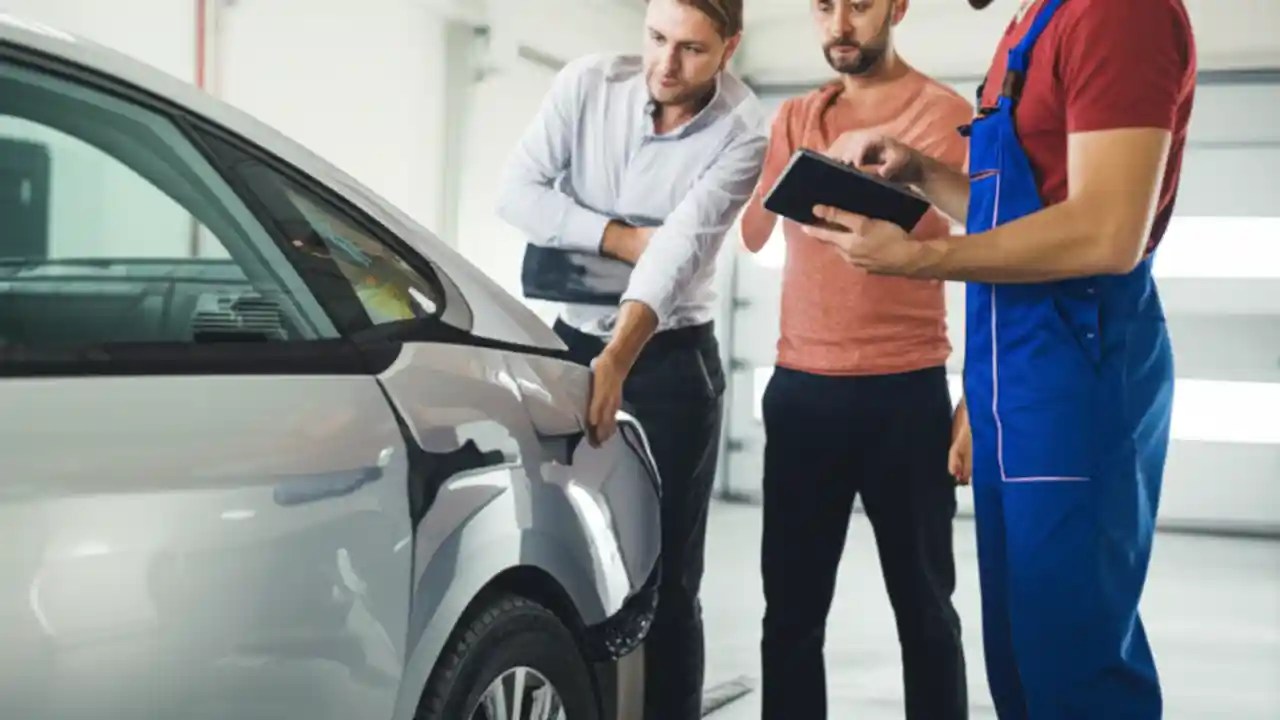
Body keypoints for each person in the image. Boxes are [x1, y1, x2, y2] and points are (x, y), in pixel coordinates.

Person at [807, 0, 1197, 717]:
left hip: (1075, 373)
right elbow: (1023, 214)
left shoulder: (1119, 14)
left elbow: (1109, 231)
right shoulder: (1030, 25)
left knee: (1073, 664)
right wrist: (919, 172)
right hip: (1013, 375)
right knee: (1021, 659)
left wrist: (919, 258)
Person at [495, 1, 767, 718]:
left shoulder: (743, 130)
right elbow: (515, 193)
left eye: (691, 50)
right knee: (560, 555)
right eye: (655, 38)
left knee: (667, 578)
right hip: (568, 343)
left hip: (670, 360)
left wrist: (618, 356)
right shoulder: (588, 84)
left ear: (729, 48)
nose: (665, 65)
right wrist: (620, 237)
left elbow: (677, 258)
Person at [738, 2, 973, 718]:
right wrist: (781, 147)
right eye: (824, 5)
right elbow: (751, 234)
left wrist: (973, 400)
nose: (840, 22)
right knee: (790, 618)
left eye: (860, 4)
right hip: (802, 390)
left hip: (905, 394)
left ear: (897, 7)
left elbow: (989, 247)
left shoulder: (945, 115)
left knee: (927, 613)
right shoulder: (796, 116)